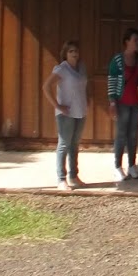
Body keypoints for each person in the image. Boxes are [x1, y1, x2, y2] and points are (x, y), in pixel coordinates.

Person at [42, 39, 88, 190]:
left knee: (75, 144)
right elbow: (46, 86)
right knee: (64, 144)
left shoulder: (81, 67)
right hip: (66, 113)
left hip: (80, 111)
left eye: (76, 51)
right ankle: (61, 178)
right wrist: (57, 106)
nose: (74, 54)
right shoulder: (62, 69)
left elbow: (84, 86)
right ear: (65, 54)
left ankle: (74, 176)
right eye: (71, 51)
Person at [106, 28, 138, 181]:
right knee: (121, 134)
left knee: (133, 135)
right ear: (127, 41)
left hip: (137, 103)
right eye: (135, 40)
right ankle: (117, 166)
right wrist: (112, 102)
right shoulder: (117, 60)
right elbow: (112, 80)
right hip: (122, 102)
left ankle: (132, 165)